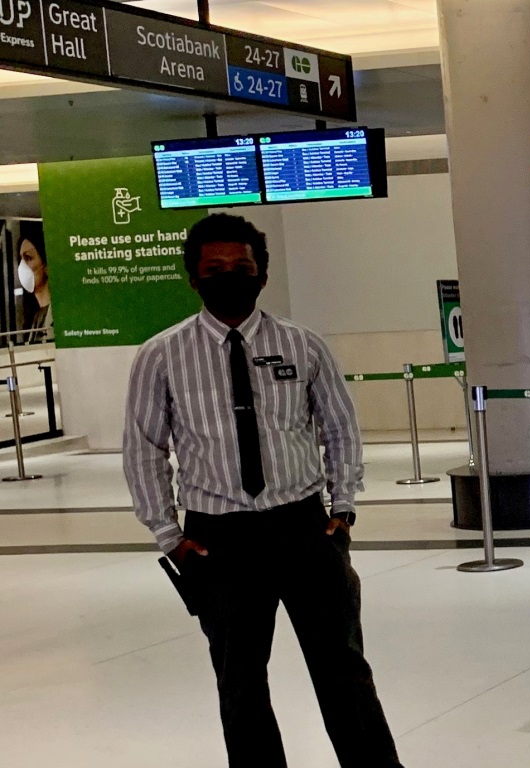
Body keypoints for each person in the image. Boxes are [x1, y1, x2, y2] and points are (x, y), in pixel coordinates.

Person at [122, 213, 404, 768]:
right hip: (217, 542)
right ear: (193, 277)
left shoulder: (304, 345)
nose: (230, 275)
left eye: (242, 266)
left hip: (305, 529)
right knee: (240, 680)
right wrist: (167, 535)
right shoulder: (160, 355)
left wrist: (342, 509)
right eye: (215, 268)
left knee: (344, 670)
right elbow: (143, 447)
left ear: (263, 274)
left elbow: (340, 428)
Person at [16, 221, 49, 343]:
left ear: (46, 265)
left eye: (28, 258)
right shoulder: (35, 317)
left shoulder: (59, 314)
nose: (22, 267)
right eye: (21, 259)